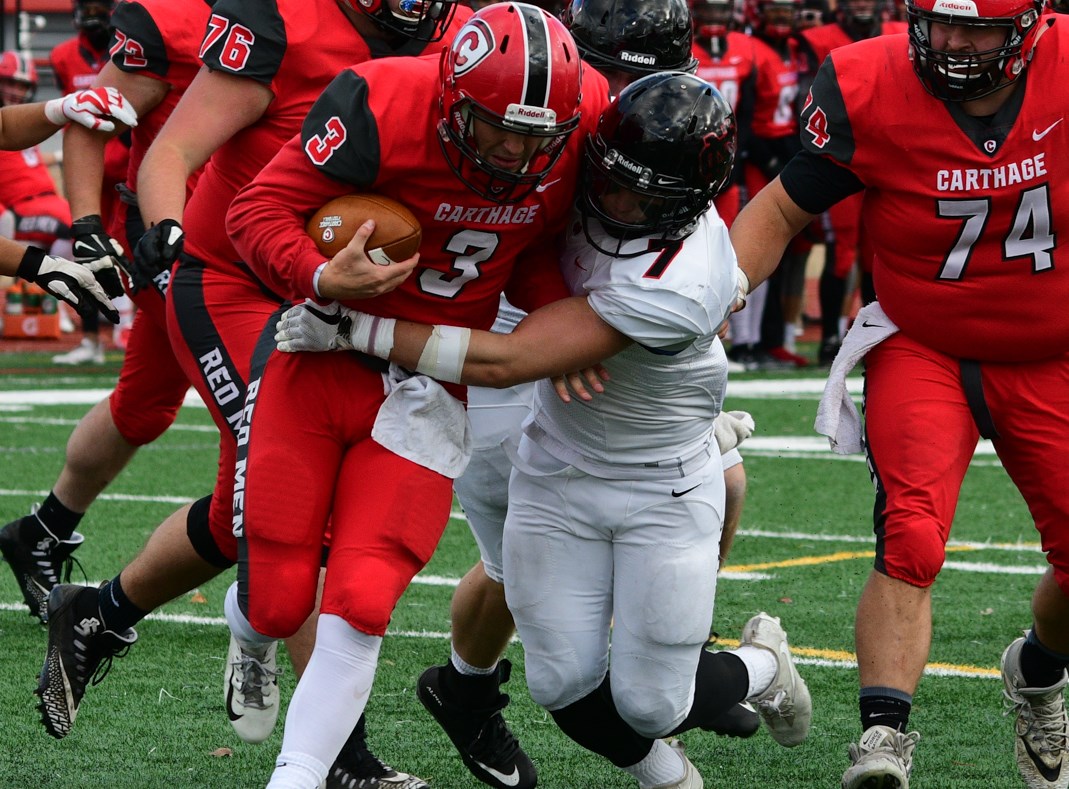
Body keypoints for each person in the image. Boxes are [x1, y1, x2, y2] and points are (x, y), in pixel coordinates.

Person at [275, 71, 811, 789]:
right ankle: (662, 773)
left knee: (653, 703)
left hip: (661, 487)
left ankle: (764, 663)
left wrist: (353, 327)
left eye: (645, 198)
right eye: (613, 181)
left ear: (687, 202)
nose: (617, 204)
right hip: (556, 467)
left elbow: (507, 361)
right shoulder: (570, 169)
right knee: (559, 682)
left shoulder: (687, 279)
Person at [33, 1, 467, 787]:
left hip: (341, 299)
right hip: (232, 278)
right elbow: (171, 149)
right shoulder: (282, 21)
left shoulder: (467, 35)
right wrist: (164, 232)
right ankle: (340, 756)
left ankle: (98, 612)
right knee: (295, 497)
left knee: (247, 511)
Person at [221, 5, 608, 786]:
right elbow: (252, 210)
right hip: (320, 355)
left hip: (427, 386)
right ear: (451, 98)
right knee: (278, 599)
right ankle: (248, 628)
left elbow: (531, 251)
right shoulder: (380, 102)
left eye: (533, 136)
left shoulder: (585, 117)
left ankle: (295, 777)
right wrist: (320, 274)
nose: (514, 150)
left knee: (364, 596)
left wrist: (555, 322)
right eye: (497, 127)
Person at [403, 3, 755, 786]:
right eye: (611, 73)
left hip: (592, 353)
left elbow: (684, 231)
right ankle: (473, 690)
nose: (620, 94)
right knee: (515, 566)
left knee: (712, 484)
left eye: (640, 75)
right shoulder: (536, 109)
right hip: (508, 332)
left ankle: (681, 660)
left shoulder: (661, 145)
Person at [726, 1, 1069, 787]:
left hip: (1047, 350)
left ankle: (1038, 669)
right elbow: (779, 207)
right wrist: (716, 293)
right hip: (922, 341)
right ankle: (881, 734)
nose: (948, 43)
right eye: (935, 21)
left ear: (1028, 28)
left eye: (975, 28)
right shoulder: (872, 84)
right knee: (910, 537)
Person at [795, 0, 906, 365]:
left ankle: (877, 337)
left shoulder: (903, 34)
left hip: (890, 158)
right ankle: (830, 337)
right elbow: (804, 101)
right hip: (843, 157)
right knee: (841, 252)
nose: (861, 4)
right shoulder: (818, 40)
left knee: (877, 252)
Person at [50, 0, 129, 365]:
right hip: (88, 173)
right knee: (87, 252)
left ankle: (131, 326)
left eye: (100, 4)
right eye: (88, 5)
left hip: (129, 167)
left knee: (132, 249)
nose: (94, 12)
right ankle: (90, 338)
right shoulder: (63, 56)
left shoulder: (129, 45)